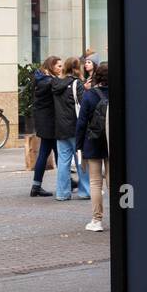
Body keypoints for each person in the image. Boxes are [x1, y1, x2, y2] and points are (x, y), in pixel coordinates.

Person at [74, 62, 109, 231]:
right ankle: (120, 218)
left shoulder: (89, 95)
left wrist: (79, 145)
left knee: (95, 182)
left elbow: (81, 123)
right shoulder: (119, 92)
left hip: (93, 140)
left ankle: (97, 220)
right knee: (113, 181)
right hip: (112, 141)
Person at [53, 57, 89, 201]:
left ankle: (62, 193)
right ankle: (85, 191)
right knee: (81, 160)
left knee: (63, 162)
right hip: (75, 127)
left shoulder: (55, 83)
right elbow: (84, 105)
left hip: (60, 128)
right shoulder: (77, 83)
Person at [28, 56, 62, 197]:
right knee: (57, 153)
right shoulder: (50, 82)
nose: (61, 68)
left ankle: (36, 186)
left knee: (51, 152)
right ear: (51, 66)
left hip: (43, 122)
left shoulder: (40, 79)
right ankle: (66, 182)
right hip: (50, 123)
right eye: (59, 66)